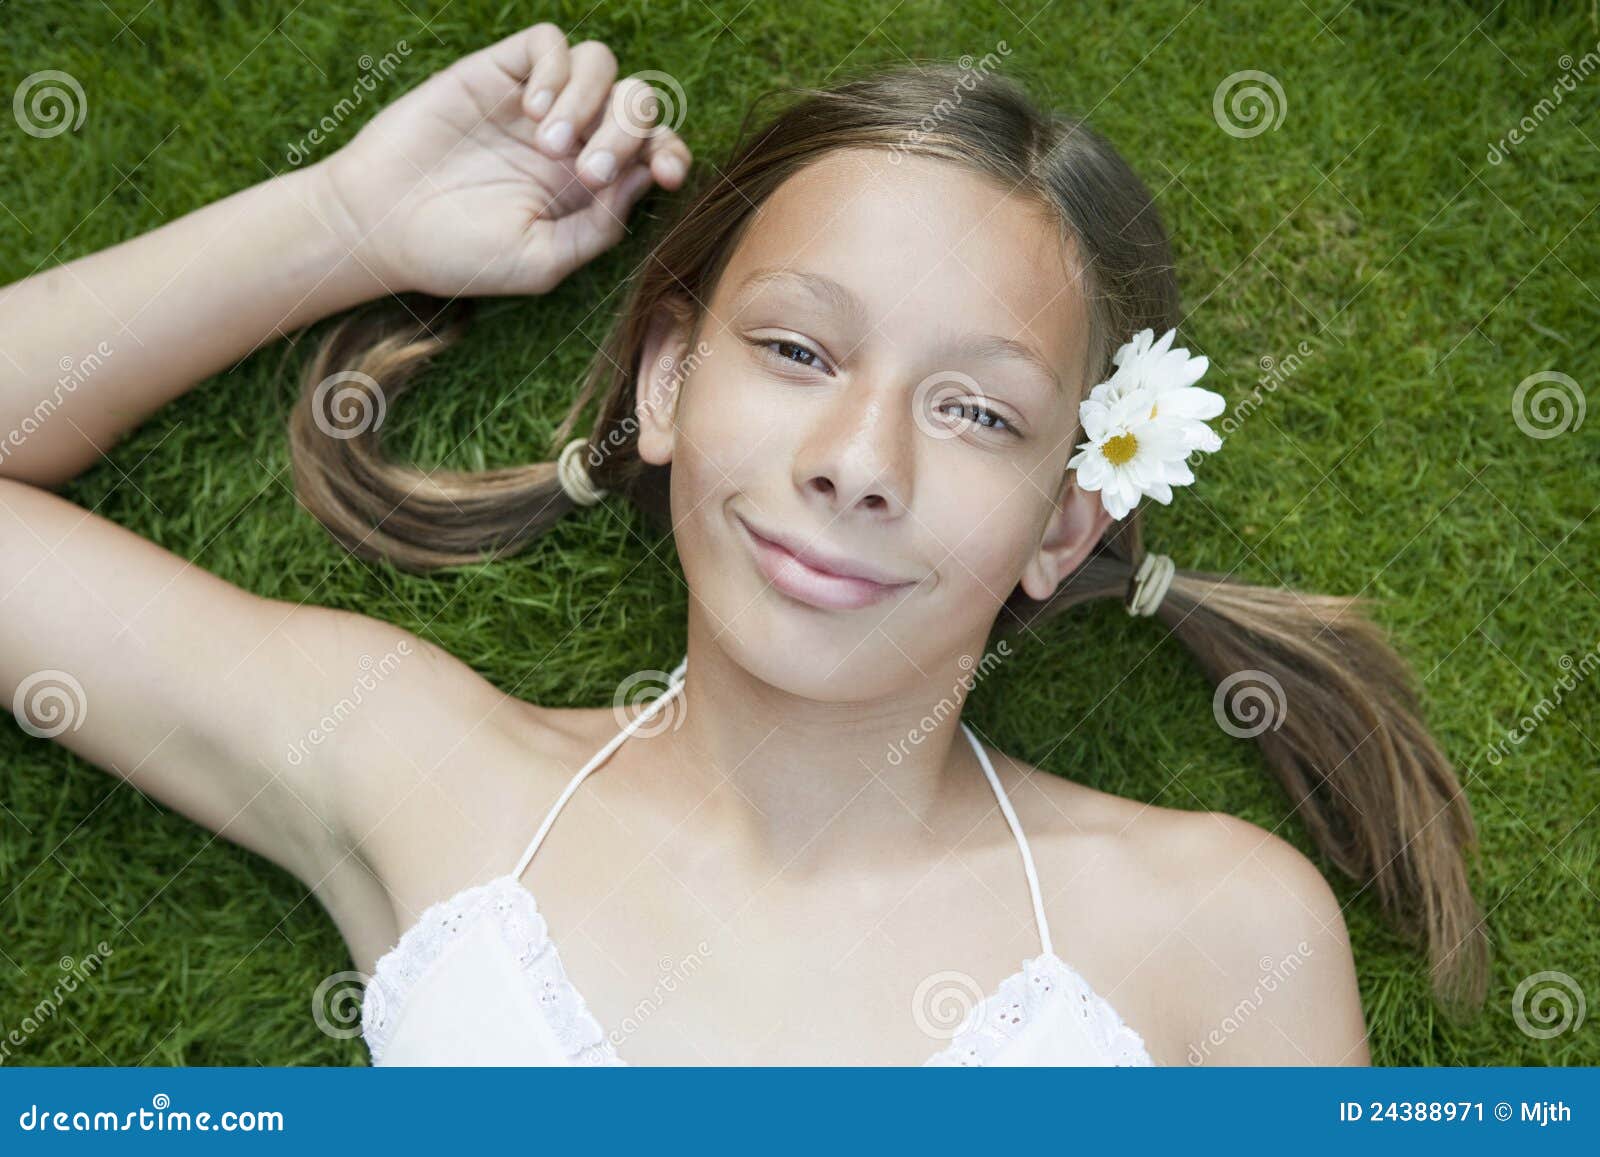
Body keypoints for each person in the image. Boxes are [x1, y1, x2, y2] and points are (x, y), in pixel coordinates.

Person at [1, 21, 1485, 1066]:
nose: (857, 463)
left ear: (1066, 516)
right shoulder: (423, 777)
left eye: (973, 410)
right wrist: (343, 219)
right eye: (793, 349)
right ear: (664, 384)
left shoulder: (1214, 927)